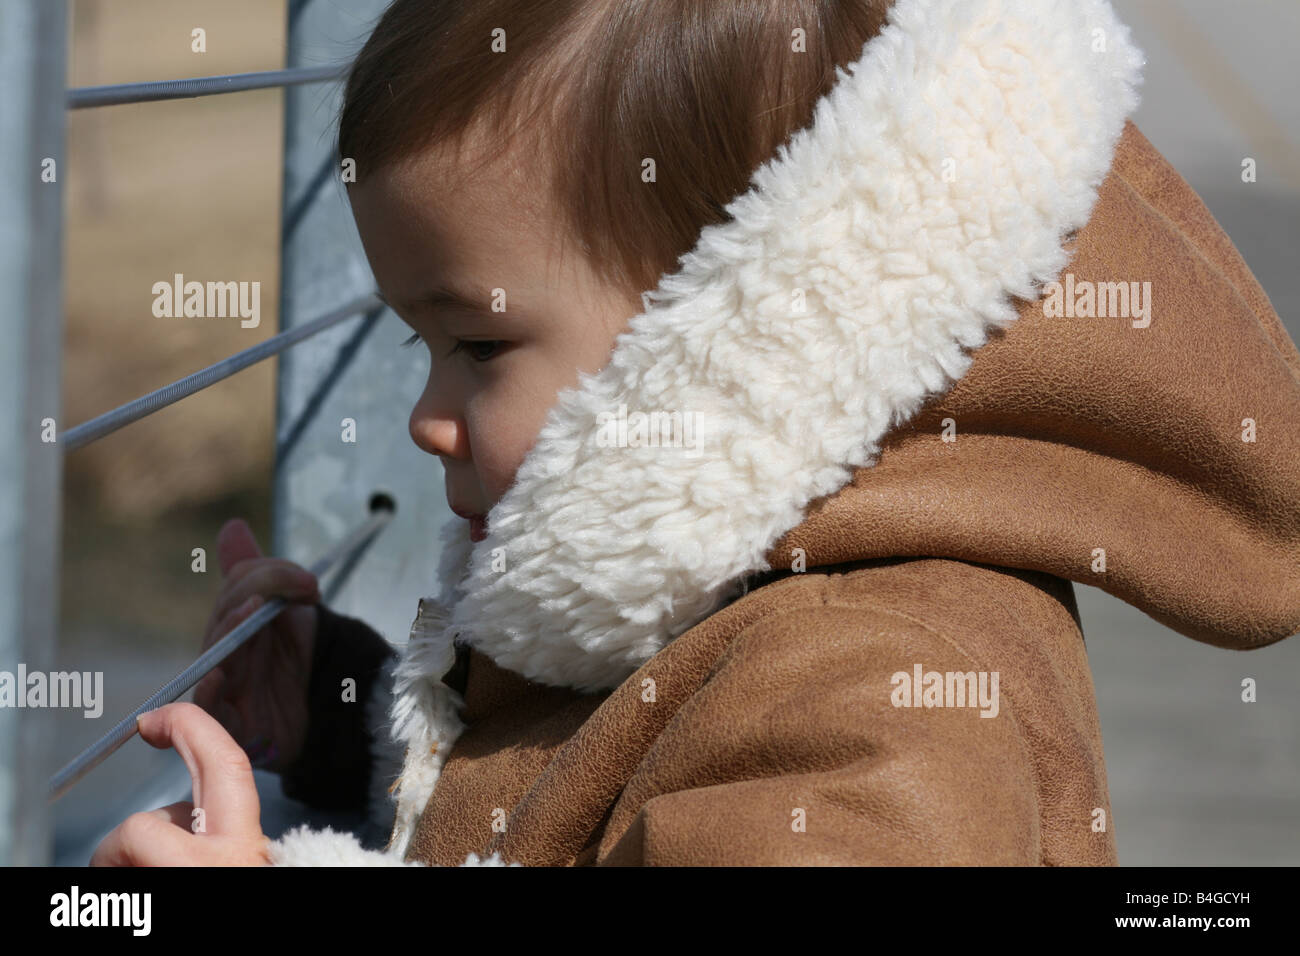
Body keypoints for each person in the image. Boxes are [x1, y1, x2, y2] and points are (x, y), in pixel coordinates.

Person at [92, 0, 1300, 867]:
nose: (424, 419)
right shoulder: (728, 575)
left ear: (738, 324)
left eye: (478, 347)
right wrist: (345, 711)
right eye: (420, 345)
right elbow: (579, 793)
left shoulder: (879, 689)